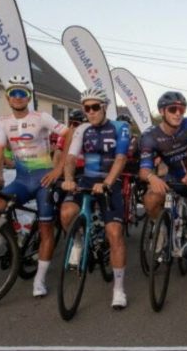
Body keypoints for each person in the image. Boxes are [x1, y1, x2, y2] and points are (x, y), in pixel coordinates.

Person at [0, 75, 70, 298]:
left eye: (23, 93)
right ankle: (4, 238)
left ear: (29, 97)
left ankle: (39, 279)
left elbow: (69, 135)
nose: (18, 97)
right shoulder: (3, 121)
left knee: (46, 228)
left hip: (43, 181)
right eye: (14, 93)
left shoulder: (41, 117)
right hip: (21, 180)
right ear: (8, 97)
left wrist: (58, 170)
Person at [138, 92, 187, 293]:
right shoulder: (150, 136)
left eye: (181, 109)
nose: (178, 113)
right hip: (173, 177)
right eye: (173, 109)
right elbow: (144, 169)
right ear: (162, 111)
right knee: (150, 198)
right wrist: (152, 178)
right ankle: (161, 229)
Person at [61, 88, 130, 309]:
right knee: (66, 213)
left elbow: (120, 158)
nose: (90, 112)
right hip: (87, 179)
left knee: (114, 233)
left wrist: (107, 183)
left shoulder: (120, 127)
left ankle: (118, 289)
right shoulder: (82, 129)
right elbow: (71, 158)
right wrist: (68, 178)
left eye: (95, 107)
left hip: (110, 181)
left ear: (104, 107)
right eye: (86, 108)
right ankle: (79, 242)